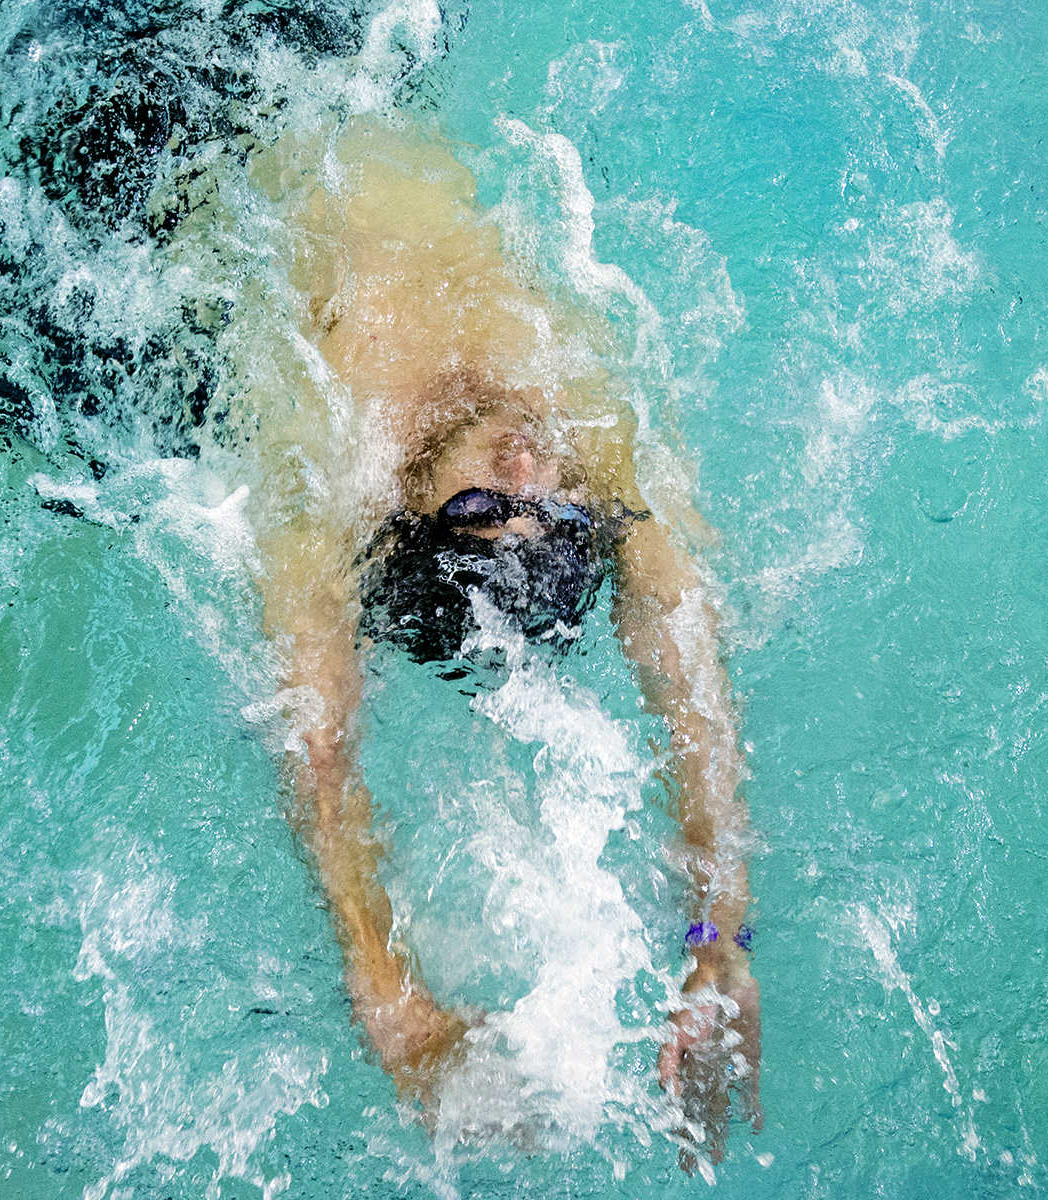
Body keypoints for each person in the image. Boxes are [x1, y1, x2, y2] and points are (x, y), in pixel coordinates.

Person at [230, 119, 760, 1161]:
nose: (525, 464)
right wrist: (719, 935)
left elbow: (318, 743)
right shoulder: (580, 431)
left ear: (412, 520)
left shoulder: (343, 457)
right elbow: (684, 650)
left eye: (480, 509)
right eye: (548, 511)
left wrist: (388, 994)